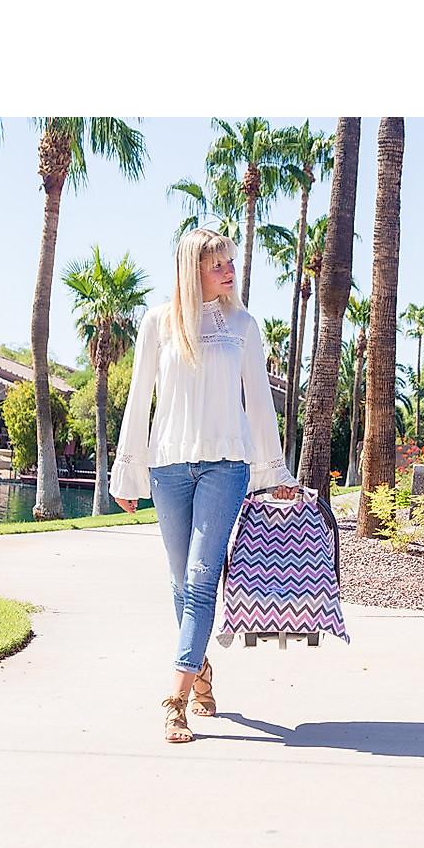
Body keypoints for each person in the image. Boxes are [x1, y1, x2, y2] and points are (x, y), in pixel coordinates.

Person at [110, 229, 298, 744]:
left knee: (198, 580)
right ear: (192, 270)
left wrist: (275, 471)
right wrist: (128, 470)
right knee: (179, 582)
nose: (229, 271)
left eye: (231, 263)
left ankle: (174, 700)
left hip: (226, 467)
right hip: (168, 467)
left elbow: (260, 404)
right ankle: (201, 671)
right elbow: (137, 400)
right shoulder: (159, 323)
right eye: (217, 265)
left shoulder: (243, 326)